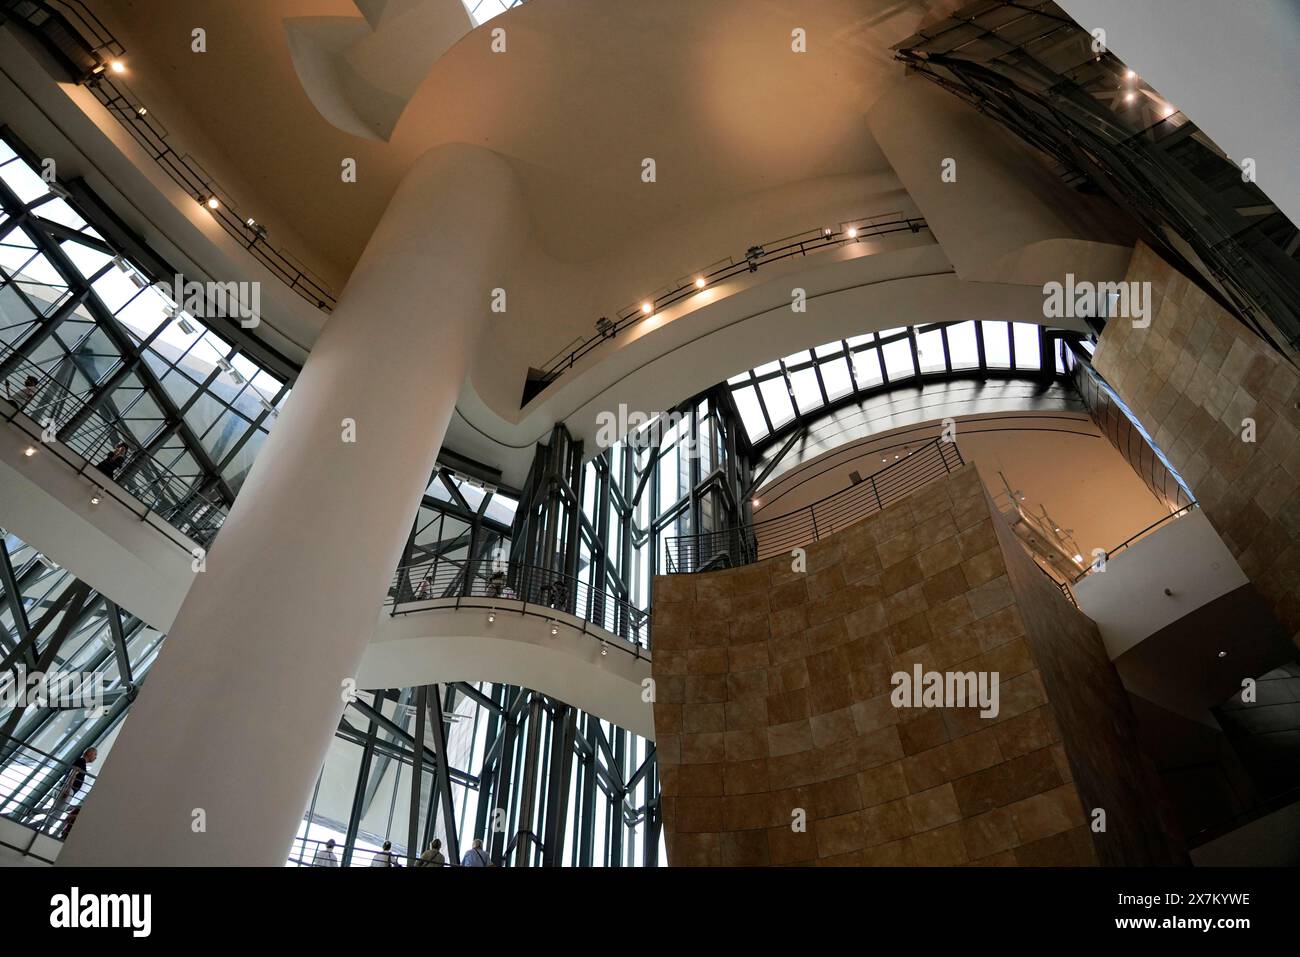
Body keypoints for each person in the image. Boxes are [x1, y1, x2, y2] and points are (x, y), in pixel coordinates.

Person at [50, 746, 96, 837]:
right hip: (67, 789)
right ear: (89, 753)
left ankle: (44, 827)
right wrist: (68, 789)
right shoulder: (81, 762)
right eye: (95, 754)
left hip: (63, 788)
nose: (95, 757)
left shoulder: (81, 762)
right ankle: (45, 829)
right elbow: (73, 774)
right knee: (57, 812)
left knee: (56, 810)